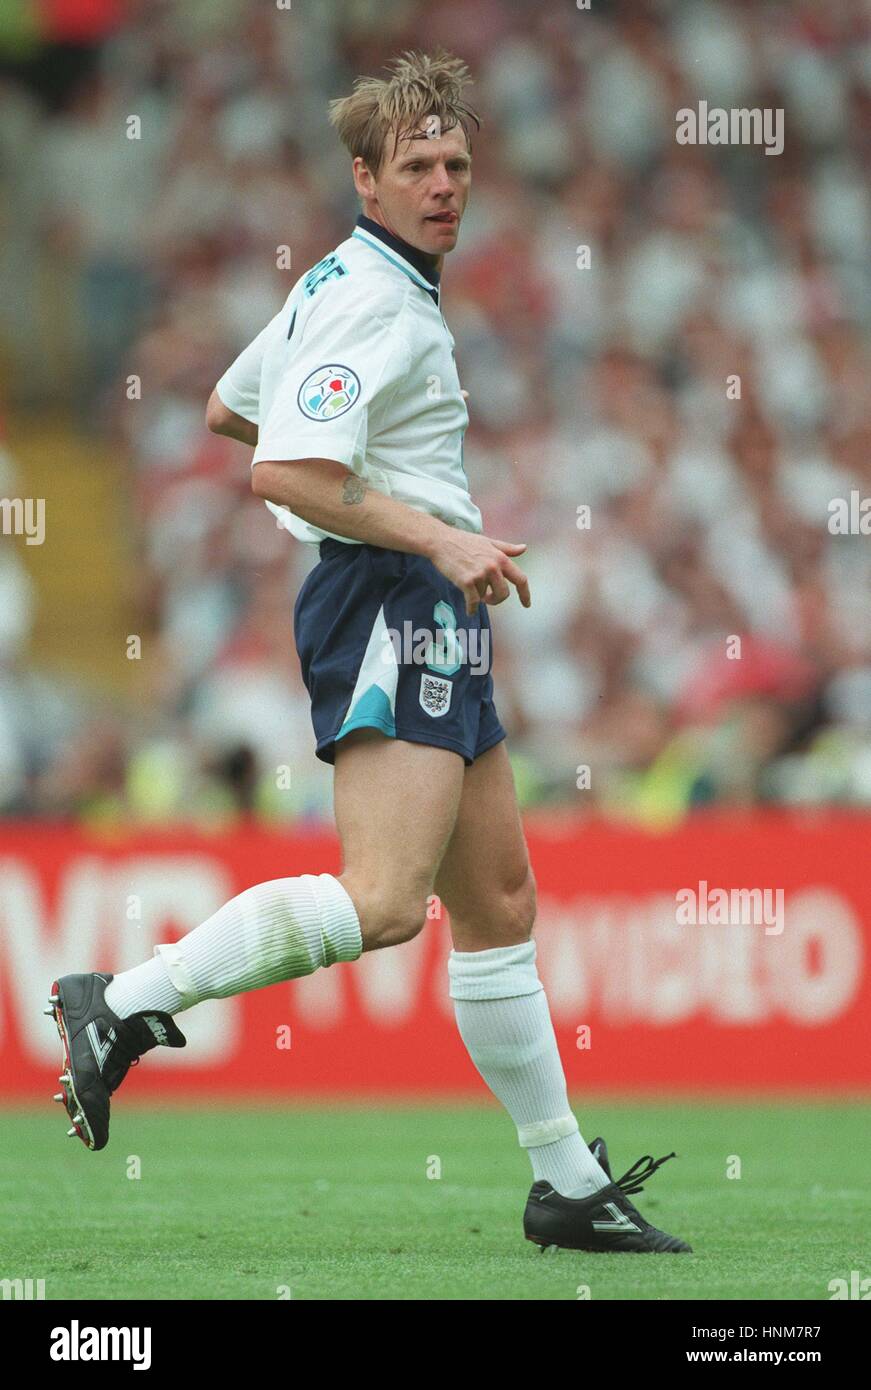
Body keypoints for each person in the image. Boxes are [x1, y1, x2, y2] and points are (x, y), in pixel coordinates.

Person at [47, 49, 690, 1255]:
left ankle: (562, 1182)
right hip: (394, 599)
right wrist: (435, 533)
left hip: (420, 597)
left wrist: (398, 502)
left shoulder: (344, 280)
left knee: (497, 902)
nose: (445, 184)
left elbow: (232, 404)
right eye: (418, 166)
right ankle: (122, 1002)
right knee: (387, 901)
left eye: (456, 163)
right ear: (366, 177)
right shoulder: (372, 300)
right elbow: (279, 463)